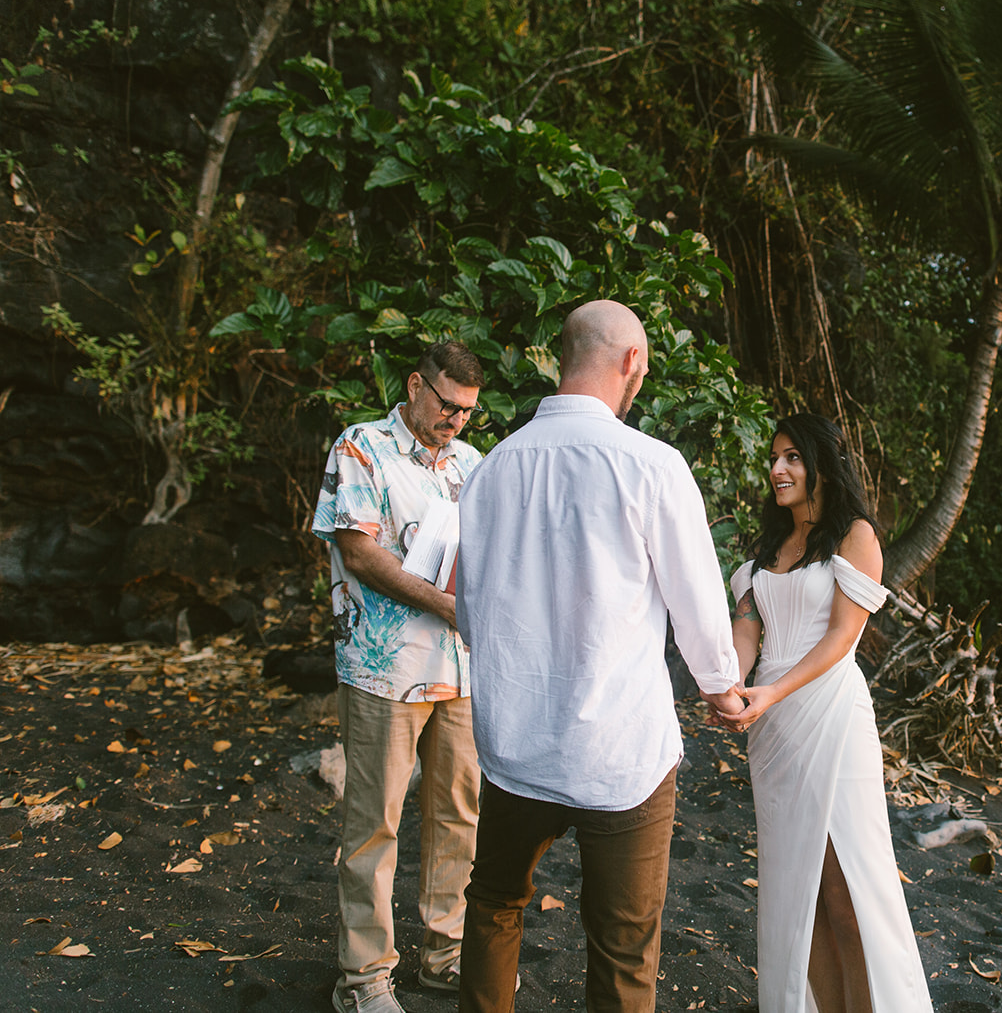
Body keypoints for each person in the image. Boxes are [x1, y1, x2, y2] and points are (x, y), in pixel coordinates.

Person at [454, 299, 746, 1013]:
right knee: (622, 944)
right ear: (633, 364)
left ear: (563, 354)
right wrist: (721, 686)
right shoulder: (651, 464)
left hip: (515, 747)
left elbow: (469, 608)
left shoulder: (491, 468)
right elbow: (700, 605)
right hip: (623, 756)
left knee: (494, 902)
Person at [717, 414, 934, 1013]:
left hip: (829, 714)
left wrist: (772, 690)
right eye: (774, 458)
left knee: (847, 892)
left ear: (820, 465)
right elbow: (746, 630)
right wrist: (734, 685)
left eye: (792, 457)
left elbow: (842, 638)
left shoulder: (855, 536)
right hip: (773, 728)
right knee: (799, 895)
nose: (777, 469)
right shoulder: (765, 549)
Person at [311, 341, 488, 1013]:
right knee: (373, 823)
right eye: (447, 404)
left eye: (468, 411)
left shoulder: (473, 465)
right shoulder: (361, 447)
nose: (456, 420)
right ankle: (364, 978)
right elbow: (358, 551)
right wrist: (446, 601)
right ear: (416, 385)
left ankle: (444, 955)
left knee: (458, 817)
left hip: (462, 668)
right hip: (385, 669)